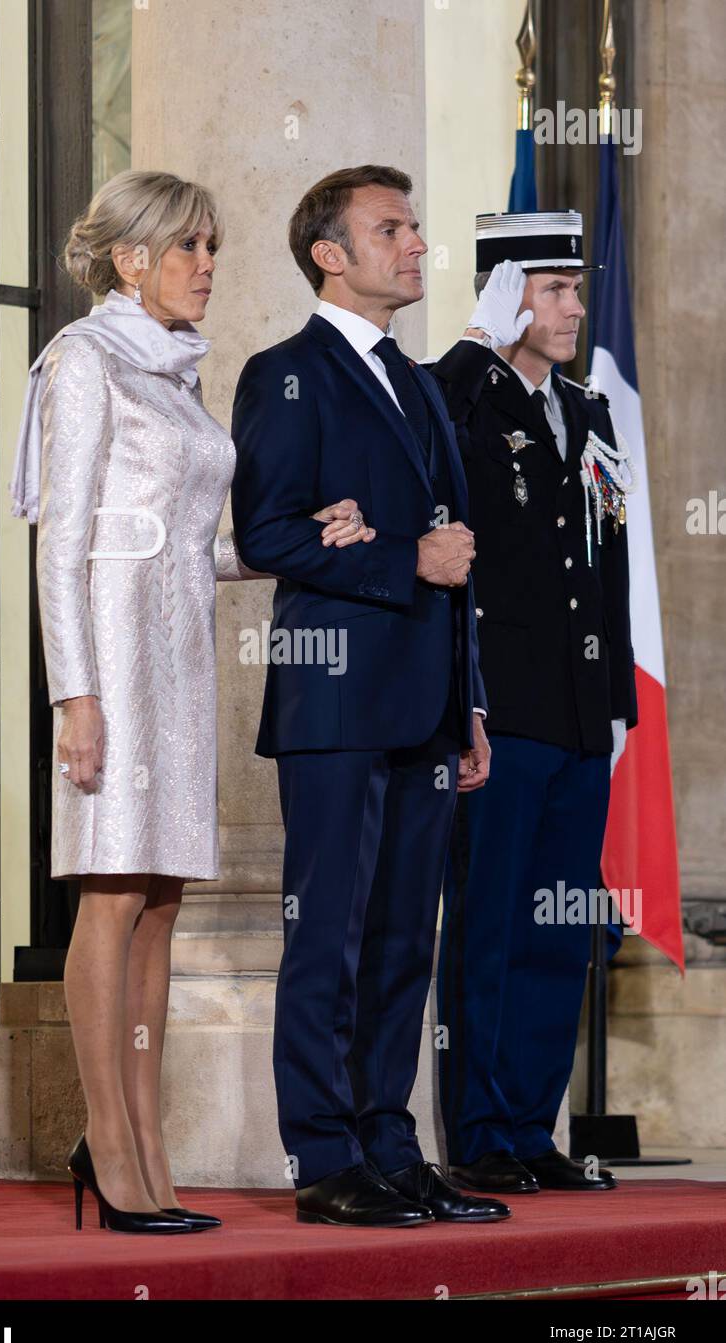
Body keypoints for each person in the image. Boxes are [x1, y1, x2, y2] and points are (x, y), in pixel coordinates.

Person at [8, 169, 372, 1234]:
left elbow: (186, 544)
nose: (209, 267)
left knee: (161, 902)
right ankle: (109, 1142)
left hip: (176, 665)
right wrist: (74, 696)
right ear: (131, 260)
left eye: (212, 247)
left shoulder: (172, 371)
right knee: (111, 894)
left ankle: (144, 1138)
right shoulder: (85, 361)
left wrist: (306, 540)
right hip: (110, 670)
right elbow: (61, 544)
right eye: (189, 249)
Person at [231, 165, 510, 1228]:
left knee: (404, 938)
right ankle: (324, 1158)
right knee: (329, 935)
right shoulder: (281, 373)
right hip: (334, 702)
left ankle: (390, 1145)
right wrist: (399, 557)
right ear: (328, 254)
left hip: (427, 701)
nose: (415, 246)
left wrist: (469, 700)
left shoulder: (420, 382)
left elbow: (460, 557)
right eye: (390, 229)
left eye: (414, 228)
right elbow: (266, 531)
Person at [422, 212, 637, 1195]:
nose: (573, 307)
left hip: (575, 706)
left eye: (574, 289)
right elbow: (422, 432)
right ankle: (478, 1133)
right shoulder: (464, 398)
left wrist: (614, 695)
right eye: (551, 289)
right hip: (498, 707)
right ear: (504, 294)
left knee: (557, 926)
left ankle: (529, 1125)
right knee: (492, 921)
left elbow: (604, 558)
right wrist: (473, 341)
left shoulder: (587, 411)